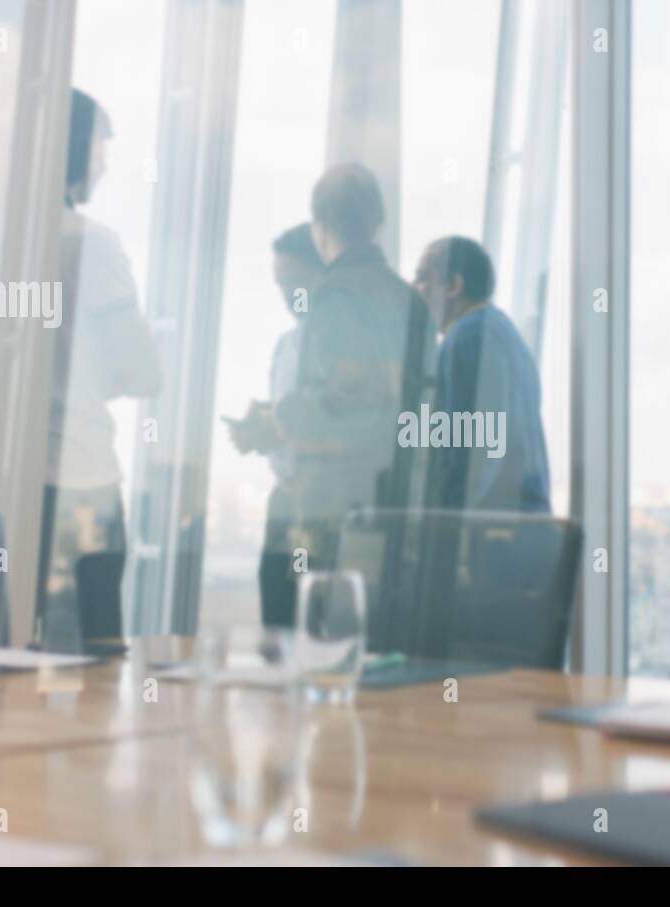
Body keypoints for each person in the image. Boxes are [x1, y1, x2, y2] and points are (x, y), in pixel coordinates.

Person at [37, 89, 161, 653]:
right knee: (98, 655)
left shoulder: (4, 238)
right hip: (84, 479)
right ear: (75, 150)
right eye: (100, 149)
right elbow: (143, 373)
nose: (106, 164)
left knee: (12, 650)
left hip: (15, 486)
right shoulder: (93, 244)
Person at [270, 164, 435, 576]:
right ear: (379, 221)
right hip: (401, 499)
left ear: (319, 225)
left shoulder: (331, 298)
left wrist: (288, 412)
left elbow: (347, 403)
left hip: (336, 505)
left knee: (324, 621)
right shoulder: (411, 302)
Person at [225, 223, 325, 626]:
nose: (289, 295)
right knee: (277, 613)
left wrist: (279, 428)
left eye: (297, 282)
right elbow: (289, 417)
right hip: (285, 499)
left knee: (314, 619)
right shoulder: (285, 345)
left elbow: (336, 422)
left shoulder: (338, 345)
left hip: (322, 504)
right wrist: (258, 432)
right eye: (281, 284)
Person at [412, 236, 550, 513]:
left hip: (492, 527)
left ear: (453, 286)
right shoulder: (503, 332)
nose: (415, 289)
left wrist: (444, 521)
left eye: (423, 278)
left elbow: (465, 450)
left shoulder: (466, 337)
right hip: (526, 520)